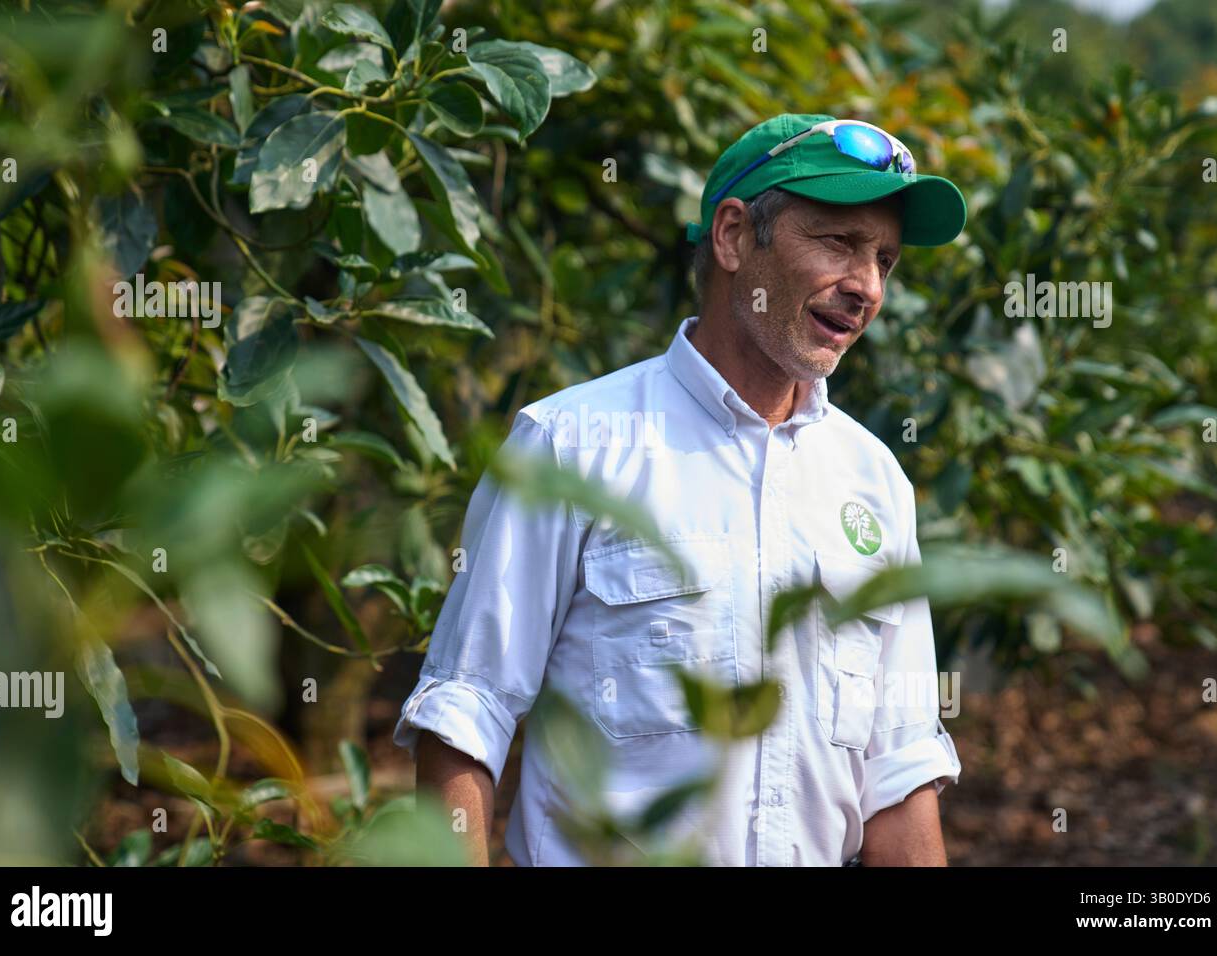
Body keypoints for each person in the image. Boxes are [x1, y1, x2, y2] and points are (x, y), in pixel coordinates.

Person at [394, 113, 967, 866]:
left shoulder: (876, 482)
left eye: (885, 261)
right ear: (732, 236)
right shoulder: (569, 446)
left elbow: (899, 771)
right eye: (837, 243)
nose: (865, 287)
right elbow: (466, 715)